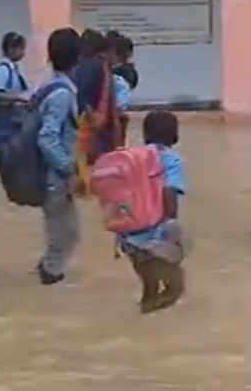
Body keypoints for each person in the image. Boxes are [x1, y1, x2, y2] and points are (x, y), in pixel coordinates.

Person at [116, 110, 188, 314]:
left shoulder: (132, 157)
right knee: (175, 288)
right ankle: (161, 325)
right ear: (175, 135)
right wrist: (172, 226)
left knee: (149, 286)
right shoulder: (171, 160)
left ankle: (145, 311)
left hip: (129, 236)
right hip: (156, 235)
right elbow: (169, 192)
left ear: (145, 134)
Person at [37, 28, 82, 285]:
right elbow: (47, 137)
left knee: (62, 229)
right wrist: (67, 167)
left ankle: (49, 266)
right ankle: (50, 273)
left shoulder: (47, 85)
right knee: (67, 232)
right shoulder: (62, 94)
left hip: (49, 173)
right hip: (55, 176)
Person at [73, 29, 121, 194]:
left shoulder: (86, 65)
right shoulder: (95, 65)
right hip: (95, 118)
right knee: (93, 153)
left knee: (89, 154)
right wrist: (91, 114)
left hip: (92, 117)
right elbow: (83, 93)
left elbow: (82, 92)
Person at [0, 31, 30, 155]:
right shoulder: (3, 70)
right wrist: (19, 98)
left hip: (14, 122)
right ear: (11, 49)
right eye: (21, 49)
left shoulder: (14, 69)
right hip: (4, 123)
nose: (23, 53)